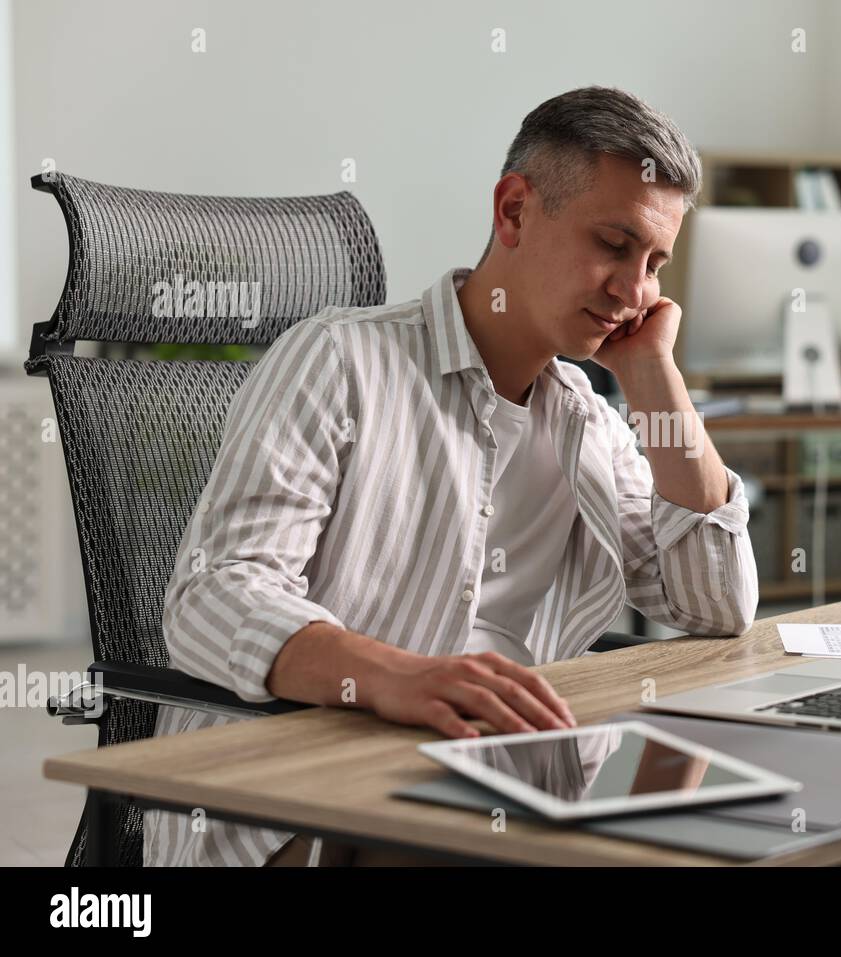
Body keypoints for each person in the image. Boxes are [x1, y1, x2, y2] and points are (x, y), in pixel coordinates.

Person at [143, 85, 760, 867]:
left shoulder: (591, 427)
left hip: (521, 798)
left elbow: (716, 602)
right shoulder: (341, 362)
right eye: (613, 243)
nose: (635, 290)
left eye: (654, 264)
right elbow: (213, 594)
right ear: (513, 211)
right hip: (309, 803)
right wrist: (399, 677)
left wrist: (654, 376)